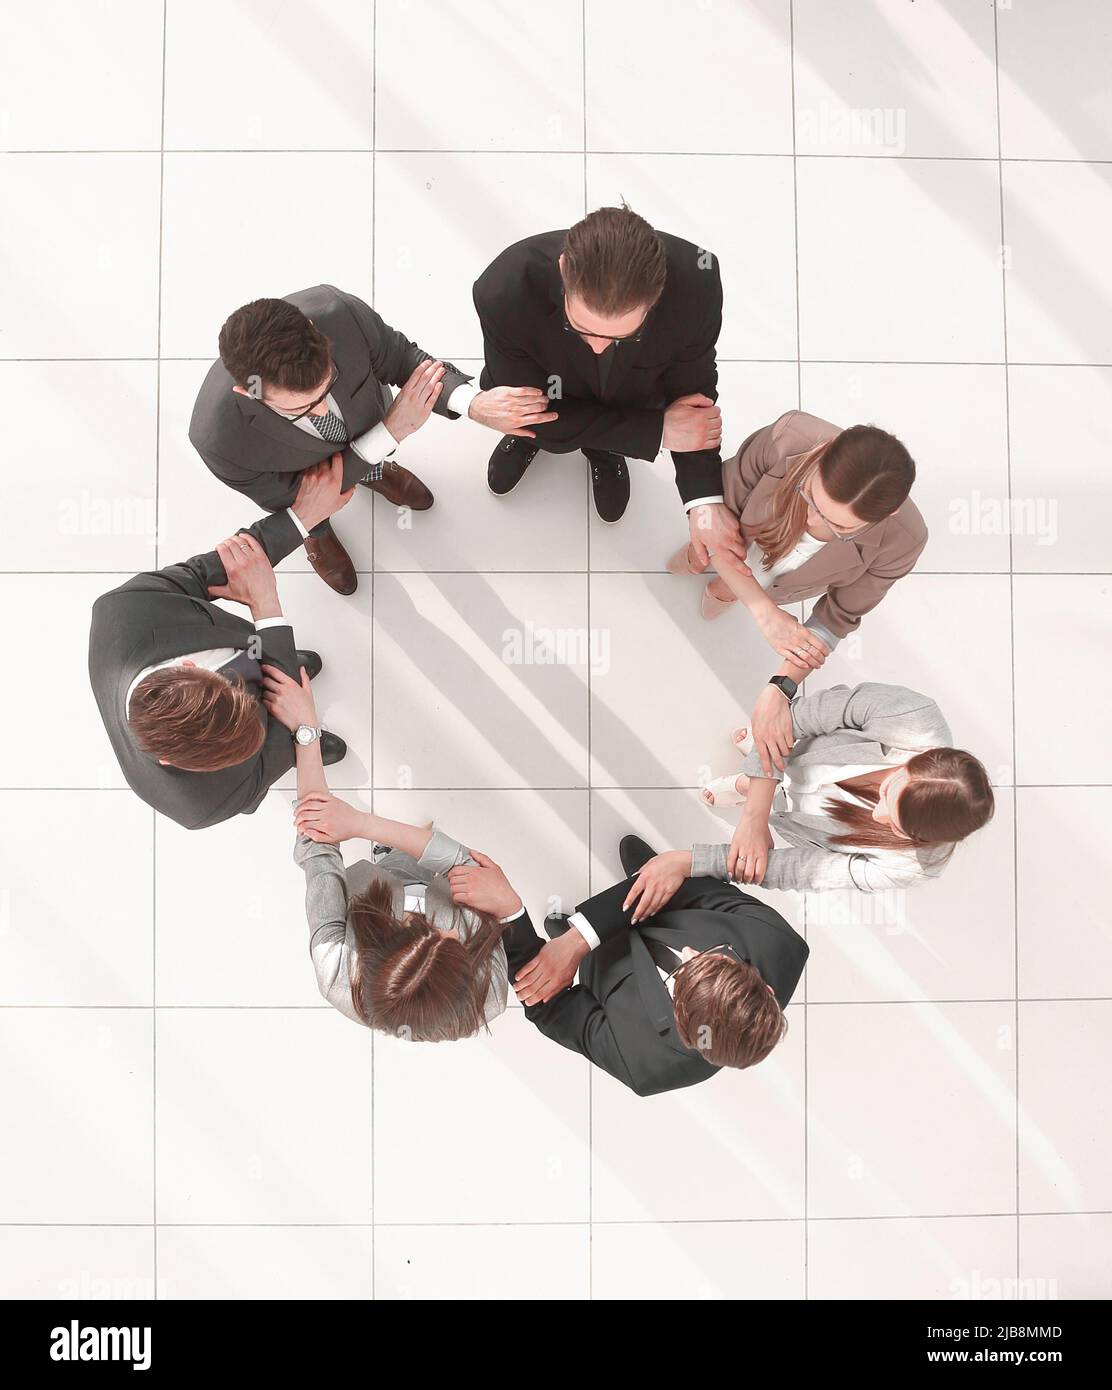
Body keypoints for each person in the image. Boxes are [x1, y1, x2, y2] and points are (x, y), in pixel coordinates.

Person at [190, 286, 557, 594]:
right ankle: (317, 536)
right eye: (301, 410)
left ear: (315, 329)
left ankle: (374, 471)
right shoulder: (219, 440)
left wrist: (473, 402)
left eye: (327, 386)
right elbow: (294, 499)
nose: (322, 412)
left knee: (370, 459)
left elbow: (401, 359)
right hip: (304, 488)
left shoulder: (340, 313)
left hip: (365, 431)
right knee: (309, 517)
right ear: (247, 392)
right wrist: (390, 431)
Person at [473, 203, 746, 567]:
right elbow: (530, 411)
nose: (599, 346)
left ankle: (603, 452)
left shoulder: (697, 284)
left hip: (626, 396)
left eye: (623, 336)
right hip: (541, 397)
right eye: (582, 328)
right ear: (563, 269)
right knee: (524, 421)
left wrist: (703, 501)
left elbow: (692, 402)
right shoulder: (506, 288)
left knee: (579, 421)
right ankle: (528, 444)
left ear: (657, 295)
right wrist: (655, 432)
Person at [88, 458, 351, 830]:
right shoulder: (205, 805)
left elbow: (228, 564)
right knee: (285, 738)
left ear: (190, 668)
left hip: (238, 658)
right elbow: (252, 759)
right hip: (257, 761)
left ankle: (271, 662)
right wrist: (303, 731)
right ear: (171, 761)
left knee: (277, 668)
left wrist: (302, 516)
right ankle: (289, 745)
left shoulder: (125, 610)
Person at [448, 834, 807, 1098]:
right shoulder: (780, 942)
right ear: (767, 989)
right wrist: (581, 937)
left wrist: (510, 915)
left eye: (681, 976)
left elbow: (550, 1009)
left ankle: (580, 938)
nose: (686, 951)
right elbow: (689, 889)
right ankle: (618, 897)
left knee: (578, 954)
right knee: (658, 878)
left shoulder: (646, 1066)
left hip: (604, 970)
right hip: (666, 905)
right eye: (711, 957)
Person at [668, 410, 927, 776]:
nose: (812, 522)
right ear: (826, 452)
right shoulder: (788, 438)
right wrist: (763, 612)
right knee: (692, 558)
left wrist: (781, 687)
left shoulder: (903, 542)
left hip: (784, 581)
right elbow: (714, 506)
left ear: (888, 515)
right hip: (734, 535)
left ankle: (723, 589)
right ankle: (711, 575)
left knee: (723, 594)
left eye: (838, 526)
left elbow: (836, 618)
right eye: (811, 498)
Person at [283, 704, 528, 1038]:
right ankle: (397, 853)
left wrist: (306, 732)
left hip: (379, 885)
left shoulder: (335, 967)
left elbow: (317, 848)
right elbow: (468, 866)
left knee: (394, 865)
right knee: (418, 858)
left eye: (436, 931)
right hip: (444, 886)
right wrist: (363, 824)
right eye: (453, 943)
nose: (455, 932)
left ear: (384, 933)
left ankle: (391, 857)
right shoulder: (493, 995)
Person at [631, 682, 994, 899]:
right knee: (770, 754)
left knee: (777, 791)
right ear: (918, 760)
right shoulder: (911, 717)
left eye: (896, 826)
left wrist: (696, 861)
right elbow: (793, 718)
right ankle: (754, 779)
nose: (878, 815)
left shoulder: (915, 867)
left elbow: (803, 870)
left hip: (801, 819)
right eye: (887, 792)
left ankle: (760, 778)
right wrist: (753, 820)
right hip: (803, 751)